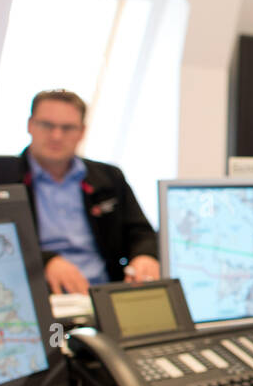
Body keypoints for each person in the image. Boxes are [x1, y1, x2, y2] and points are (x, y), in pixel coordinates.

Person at [20, 89, 159, 294]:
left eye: (67, 128)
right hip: (38, 294)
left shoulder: (109, 177)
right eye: (47, 125)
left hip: (104, 292)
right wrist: (45, 261)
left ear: (82, 132)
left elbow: (141, 232)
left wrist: (145, 256)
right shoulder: (1, 180)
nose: (56, 136)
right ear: (30, 125)